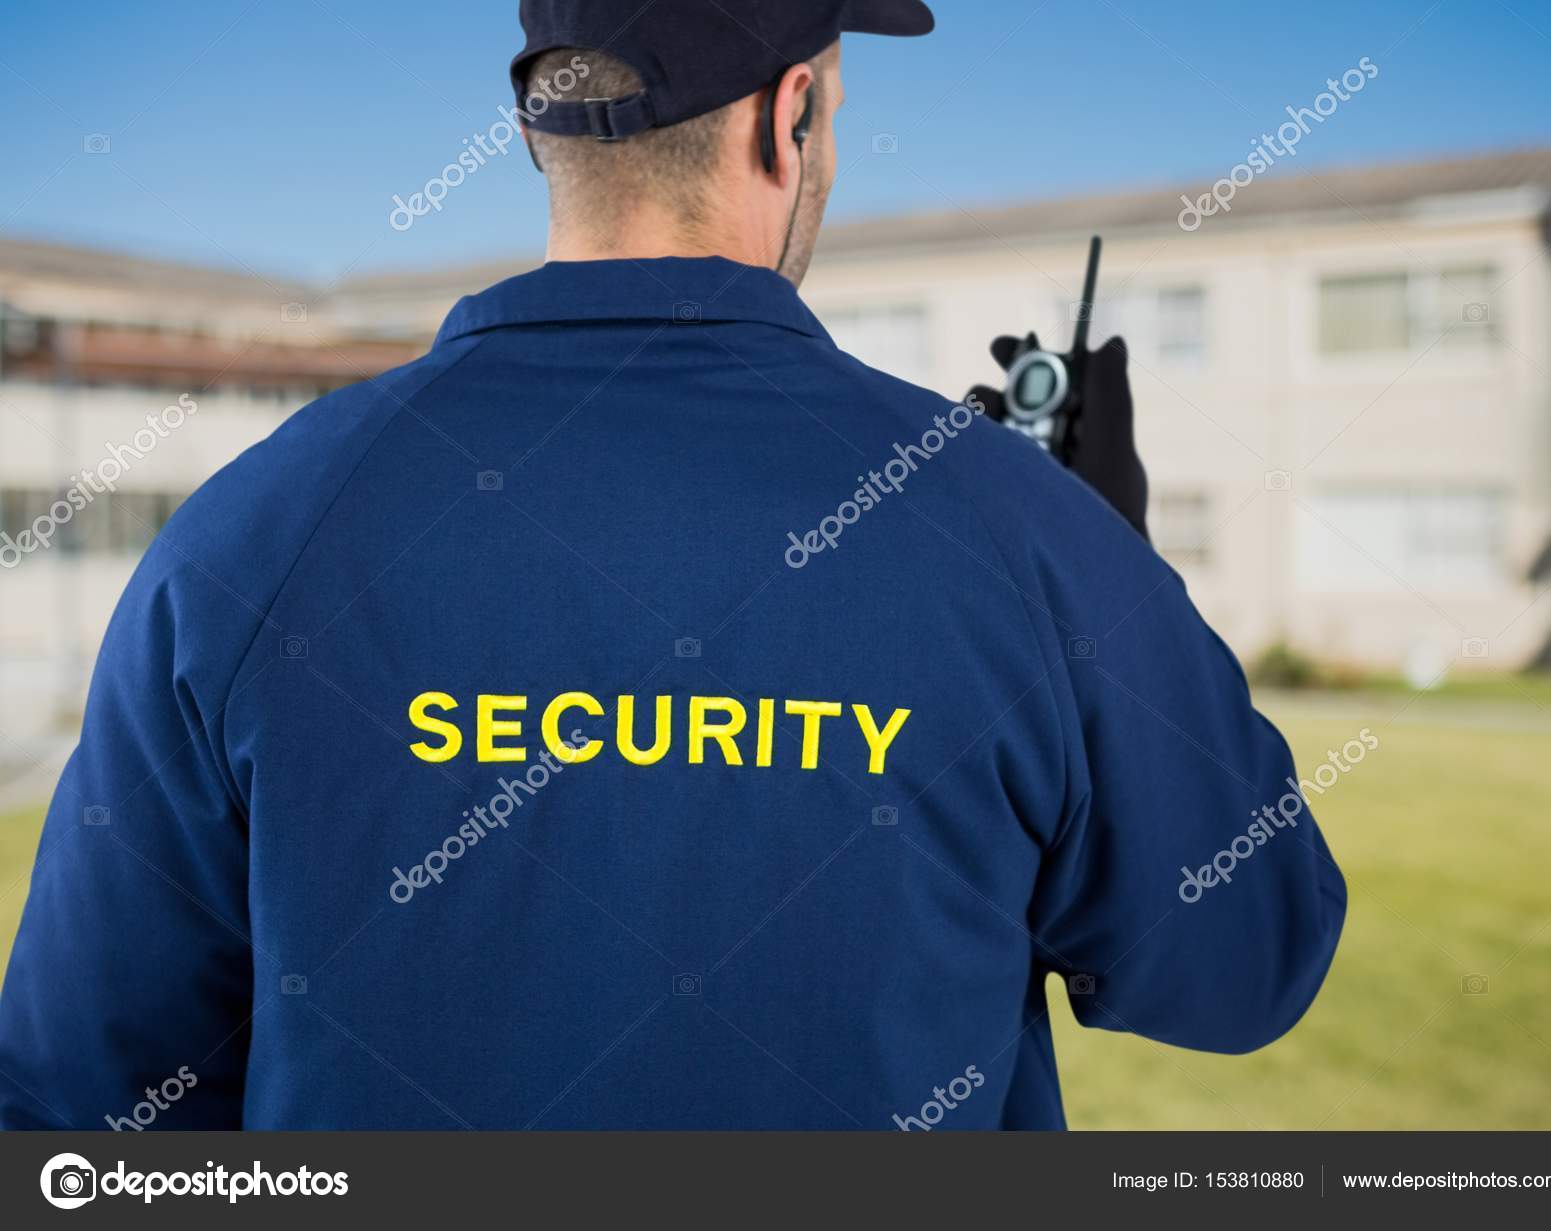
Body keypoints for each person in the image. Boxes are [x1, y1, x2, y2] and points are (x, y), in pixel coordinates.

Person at [0, 0, 1343, 1130]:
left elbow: (77, 1101)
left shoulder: (247, 536)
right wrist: (1120, 560)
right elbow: (1246, 965)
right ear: (791, 119)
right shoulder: (1022, 539)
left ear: (537, 131)